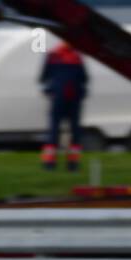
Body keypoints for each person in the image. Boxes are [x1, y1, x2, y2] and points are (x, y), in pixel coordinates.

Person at [38, 42, 88, 171]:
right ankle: (73, 164)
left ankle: (50, 163)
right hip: (74, 99)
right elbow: (84, 78)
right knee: (74, 132)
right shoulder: (77, 57)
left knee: (54, 130)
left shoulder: (53, 56)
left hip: (58, 98)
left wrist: (50, 88)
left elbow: (43, 77)